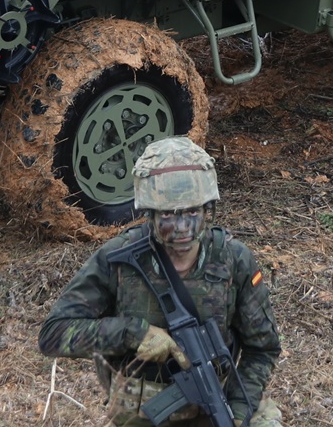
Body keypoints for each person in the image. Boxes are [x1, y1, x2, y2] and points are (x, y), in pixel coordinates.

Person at [39, 137, 283, 427]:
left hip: (217, 402)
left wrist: (240, 412)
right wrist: (132, 333)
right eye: (168, 214)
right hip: (141, 413)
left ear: (208, 210)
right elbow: (53, 334)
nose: (181, 228)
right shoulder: (118, 258)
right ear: (149, 214)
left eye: (192, 212)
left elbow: (262, 347)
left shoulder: (233, 259)